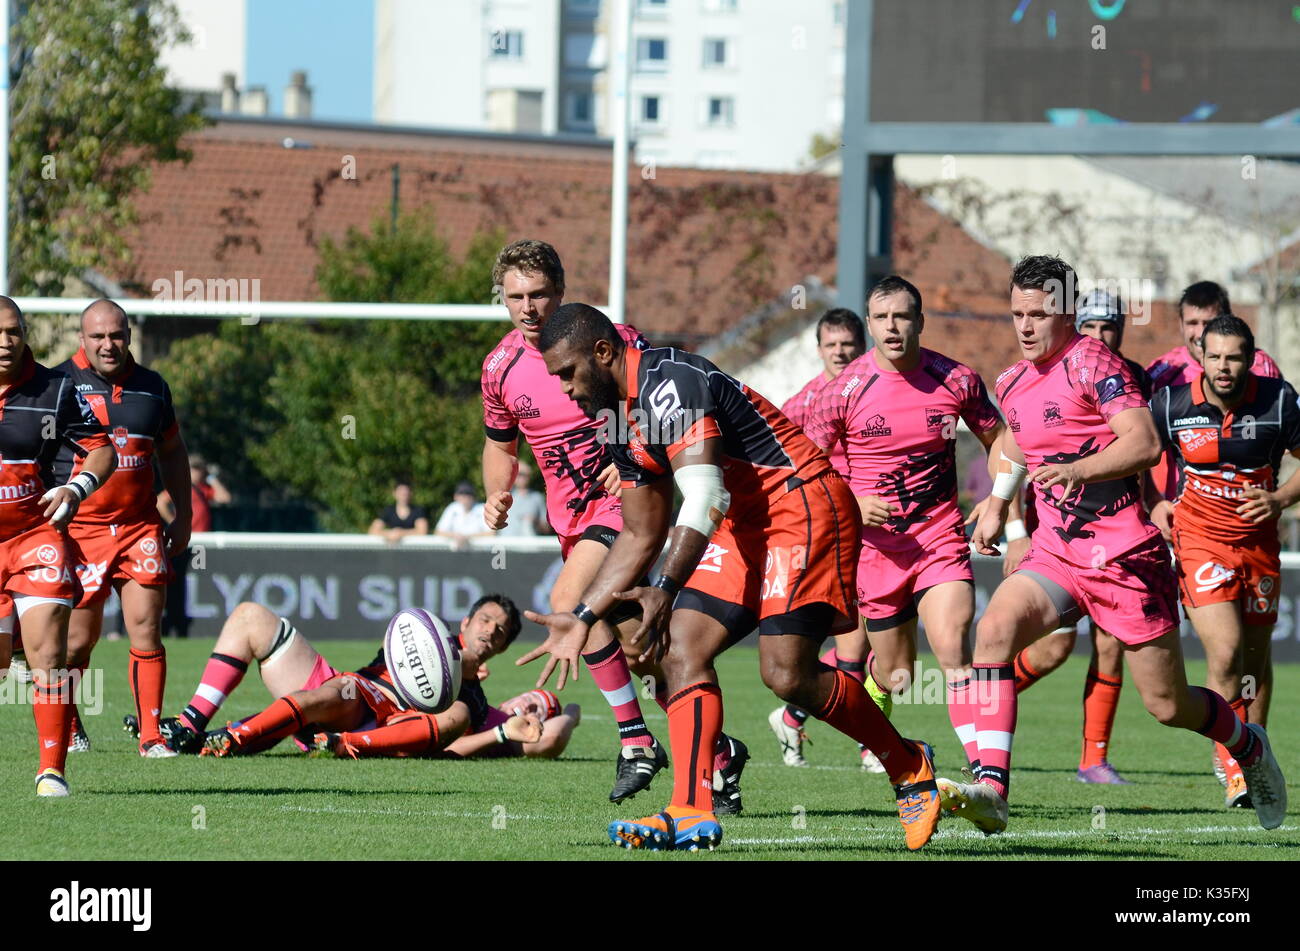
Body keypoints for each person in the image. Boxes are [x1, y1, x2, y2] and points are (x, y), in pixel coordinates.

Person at [523, 302, 941, 853]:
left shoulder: (669, 381)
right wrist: (583, 617)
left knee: (786, 675)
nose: (565, 389)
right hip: (741, 523)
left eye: (567, 373)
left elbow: (706, 494)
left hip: (801, 504)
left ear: (602, 353)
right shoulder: (617, 419)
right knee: (677, 655)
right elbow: (640, 532)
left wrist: (664, 590)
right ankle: (689, 809)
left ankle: (907, 764)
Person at [947, 255, 1286, 834]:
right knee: (994, 630)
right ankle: (994, 787)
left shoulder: (1093, 362)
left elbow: (1146, 443)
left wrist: (1080, 469)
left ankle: (1245, 743)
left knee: (1168, 705)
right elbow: (1016, 442)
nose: (1025, 326)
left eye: (1039, 313)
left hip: (1124, 557)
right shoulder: (1012, 378)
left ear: (1068, 312)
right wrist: (1001, 503)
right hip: (1057, 553)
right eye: (1017, 314)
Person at [481, 239, 745, 811]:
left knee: (571, 600)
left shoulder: (613, 341)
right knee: (635, 648)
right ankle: (719, 754)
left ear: (562, 291)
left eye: (540, 294)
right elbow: (499, 443)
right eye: (516, 296)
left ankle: (635, 742)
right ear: (502, 299)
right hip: (568, 519)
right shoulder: (499, 368)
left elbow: (653, 401)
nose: (529, 307)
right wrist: (496, 492)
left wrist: (627, 455)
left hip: (625, 506)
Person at [803, 276, 1005, 780]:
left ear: (919, 320)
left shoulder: (955, 379)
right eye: (882, 317)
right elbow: (804, 466)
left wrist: (997, 500)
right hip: (875, 553)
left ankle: (987, 775)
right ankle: (873, 697)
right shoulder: (841, 391)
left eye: (903, 316)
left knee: (954, 645)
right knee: (897, 674)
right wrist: (850, 501)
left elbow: (999, 437)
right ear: (869, 324)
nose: (893, 327)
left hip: (939, 538)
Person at [1148, 314, 1300, 808]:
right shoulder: (1171, 404)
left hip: (1259, 547)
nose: (1223, 366)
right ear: (1200, 356)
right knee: (1227, 653)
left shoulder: (1279, 400)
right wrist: (1155, 502)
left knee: (1256, 658)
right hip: (1199, 543)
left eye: (1233, 356)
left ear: (1250, 357)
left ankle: (1256, 749)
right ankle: (1234, 765)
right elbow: (1137, 456)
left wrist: (1279, 500)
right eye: (1214, 356)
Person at [1002, 289, 1149, 784]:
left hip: (1116, 545)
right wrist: (1013, 527)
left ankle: (1093, 761)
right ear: (1072, 323)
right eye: (1092, 325)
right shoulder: (1025, 377)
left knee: (1116, 654)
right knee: (1048, 649)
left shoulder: (1127, 381)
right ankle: (986, 723)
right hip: (1053, 542)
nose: (1100, 336)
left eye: (1111, 327)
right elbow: (1009, 452)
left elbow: (1150, 450)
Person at [150, 595, 580, 760]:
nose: (491, 631)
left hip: (374, 726)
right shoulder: (424, 635)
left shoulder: (476, 701)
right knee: (250, 617)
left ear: (504, 650)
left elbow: (551, 733)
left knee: (456, 715)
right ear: (465, 622)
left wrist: (569, 713)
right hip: (347, 694)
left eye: (501, 632)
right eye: (486, 620)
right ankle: (191, 724)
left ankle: (243, 739)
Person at [55, 299, 192, 758]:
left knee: (145, 627)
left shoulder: (153, 387)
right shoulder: (58, 384)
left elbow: (172, 452)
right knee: (76, 640)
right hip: (78, 532)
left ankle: (151, 736)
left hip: (139, 527)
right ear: (82, 339)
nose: (108, 345)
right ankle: (69, 723)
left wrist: (185, 515)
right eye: (98, 337)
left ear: (129, 336)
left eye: (116, 335)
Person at [0, 297, 117, 797]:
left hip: (35, 538)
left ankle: (52, 770)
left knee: (50, 656)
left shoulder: (56, 388)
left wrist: (76, 489)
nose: (5, 342)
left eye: (13, 331)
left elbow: (102, 447)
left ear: (25, 333)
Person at [769, 307, 870, 768]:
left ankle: (792, 717)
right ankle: (872, 742)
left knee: (872, 646)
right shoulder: (801, 405)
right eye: (832, 345)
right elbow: (789, 473)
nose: (840, 352)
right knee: (859, 641)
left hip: (887, 532)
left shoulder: (876, 390)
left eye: (848, 343)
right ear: (819, 349)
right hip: (832, 531)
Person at [1146, 281, 1281, 503]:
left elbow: (1283, 434)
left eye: (1208, 322)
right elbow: (1139, 442)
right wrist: (1155, 501)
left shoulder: (1260, 366)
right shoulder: (1161, 373)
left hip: (1248, 509)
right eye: (1192, 323)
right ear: (1180, 324)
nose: (1200, 333)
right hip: (1180, 511)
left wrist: (1277, 496)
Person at [493, 462, 548, 537]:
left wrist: (535, 522)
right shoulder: (504, 496)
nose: (522, 478)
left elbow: (546, 528)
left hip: (529, 545)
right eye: (519, 474)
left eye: (525, 475)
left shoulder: (537, 498)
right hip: (505, 544)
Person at [434, 482, 492, 550]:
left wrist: (467, 537)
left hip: (480, 552)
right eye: (462, 494)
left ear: (474, 497)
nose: (465, 498)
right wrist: (456, 536)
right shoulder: (452, 508)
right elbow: (438, 532)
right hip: (456, 553)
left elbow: (491, 533)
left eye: (468, 494)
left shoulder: (481, 509)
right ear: (455, 496)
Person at [188, 455, 230, 534]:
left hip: (204, 535)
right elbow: (161, 503)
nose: (197, 472)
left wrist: (211, 478)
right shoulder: (183, 488)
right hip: (189, 535)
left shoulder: (203, 489)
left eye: (199, 469)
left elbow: (225, 498)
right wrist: (175, 522)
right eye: (194, 468)